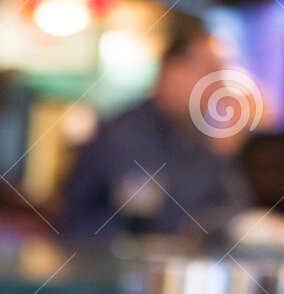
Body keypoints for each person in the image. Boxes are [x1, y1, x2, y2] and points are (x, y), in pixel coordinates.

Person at [60, 18, 255, 239]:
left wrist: (225, 149)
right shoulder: (124, 133)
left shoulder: (198, 139)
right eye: (210, 72)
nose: (220, 87)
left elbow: (234, 207)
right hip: (103, 268)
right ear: (172, 71)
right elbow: (162, 220)